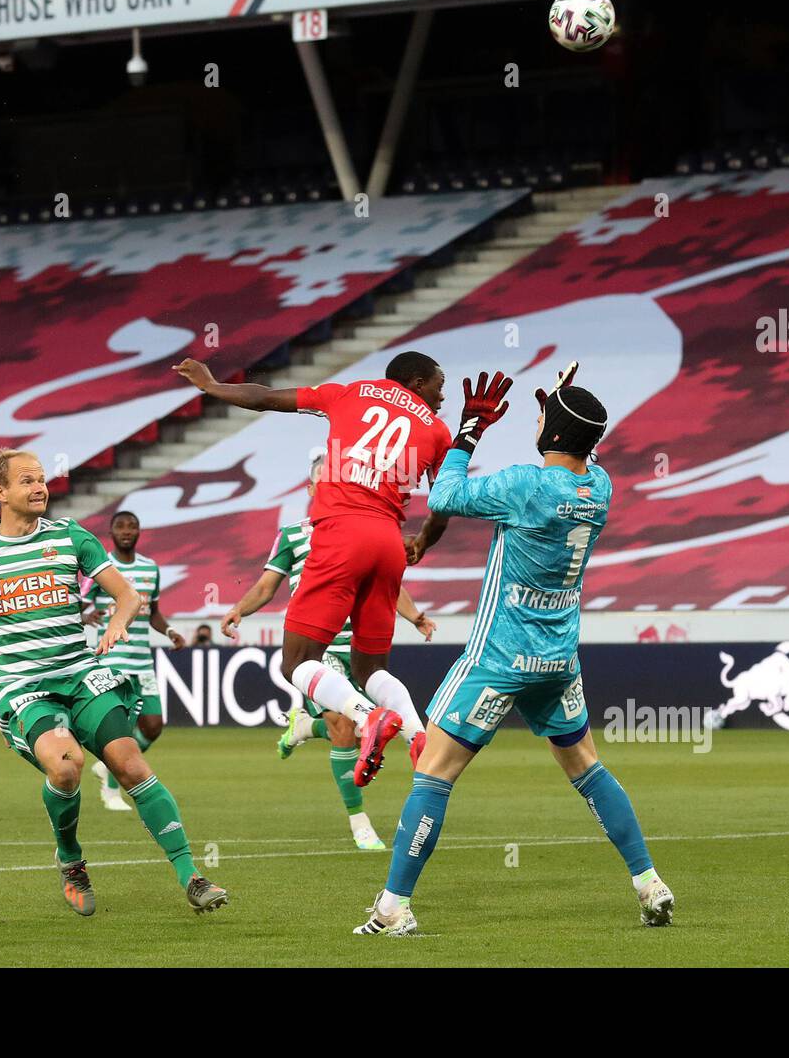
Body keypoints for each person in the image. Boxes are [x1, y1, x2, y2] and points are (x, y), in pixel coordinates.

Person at [354, 365, 674, 936]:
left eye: (543, 417)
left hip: (499, 657)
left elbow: (447, 494)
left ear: (551, 434)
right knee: (589, 769)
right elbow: (582, 453)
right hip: (558, 659)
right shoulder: (598, 489)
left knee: (433, 775)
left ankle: (393, 907)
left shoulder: (525, 486)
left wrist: (470, 430)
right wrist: (558, 409)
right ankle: (649, 882)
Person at [0, 447, 227, 917]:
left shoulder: (70, 536)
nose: (39, 487)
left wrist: (118, 621)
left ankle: (192, 876)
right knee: (66, 767)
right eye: (26, 481)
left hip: (79, 674)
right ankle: (70, 858)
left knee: (131, 765)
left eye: (41, 478)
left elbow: (129, 595)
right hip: (23, 686)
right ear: (0, 492)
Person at [175, 351, 452, 786]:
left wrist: (212, 387)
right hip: (389, 542)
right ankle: (419, 740)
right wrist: (420, 543)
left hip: (342, 532)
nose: (442, 396)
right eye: (438, 385)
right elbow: (443, 506)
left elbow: (267, 398)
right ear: (416, 382)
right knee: (371, 669)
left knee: (296, 664)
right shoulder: (437, 431)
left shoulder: (349, 393)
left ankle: (368, 717)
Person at [221, 450, 439, 850]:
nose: (331, 484)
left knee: (356, 729)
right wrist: (239, 608)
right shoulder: (292, 536)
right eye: (323, 479)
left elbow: (388, 583)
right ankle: (360, 822)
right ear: (310, 487)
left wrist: (416, 617)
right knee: (344, 728)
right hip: (316, 646)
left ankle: (305, 726)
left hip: (359, 645)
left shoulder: (365, 529)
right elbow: (268, 585)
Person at [81, 510, 186, 812]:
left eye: (132, 526)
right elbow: (74, 600)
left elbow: (152, 612)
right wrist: (84, 615)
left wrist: (169, 631)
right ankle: (112, 793)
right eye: (120, 526)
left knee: (153, 726)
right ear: (110, 532)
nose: (127, 531)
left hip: (143, 660)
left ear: (140, 531)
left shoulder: (150, 569)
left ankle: (108, 765)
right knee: (122, 730)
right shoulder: (101, 568)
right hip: (113, 661)